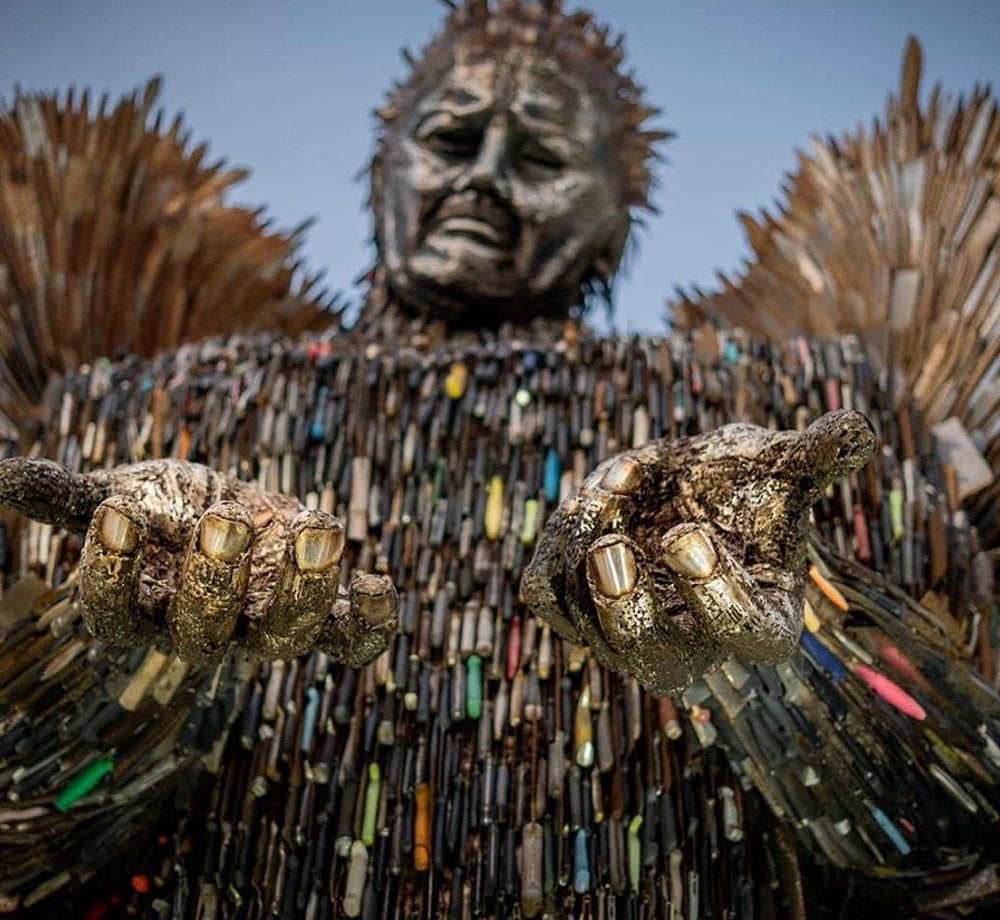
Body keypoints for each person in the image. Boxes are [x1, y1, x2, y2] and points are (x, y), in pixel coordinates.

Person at [0, 2, 997, 917]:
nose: (481, 175)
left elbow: (957, 844)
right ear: (379, 163)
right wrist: (125, 671)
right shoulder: (138, 412)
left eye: (540, 153)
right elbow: (23, 850)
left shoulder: (796, 414)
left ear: (619, 214)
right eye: (449, 138)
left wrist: (798, 640)